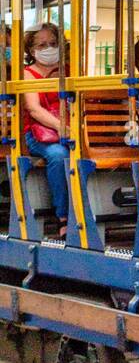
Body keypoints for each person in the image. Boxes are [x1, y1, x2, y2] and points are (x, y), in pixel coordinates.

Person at [22, 22, 68, 240]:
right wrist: (62, 128)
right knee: (59, 155)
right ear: (32, 51)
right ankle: (64, 216)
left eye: (52, 43)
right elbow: (34, 109)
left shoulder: (69, 70)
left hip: (69, 131)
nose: (48, 48)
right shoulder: (28, 74)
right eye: (42, 45)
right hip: (38, 134)